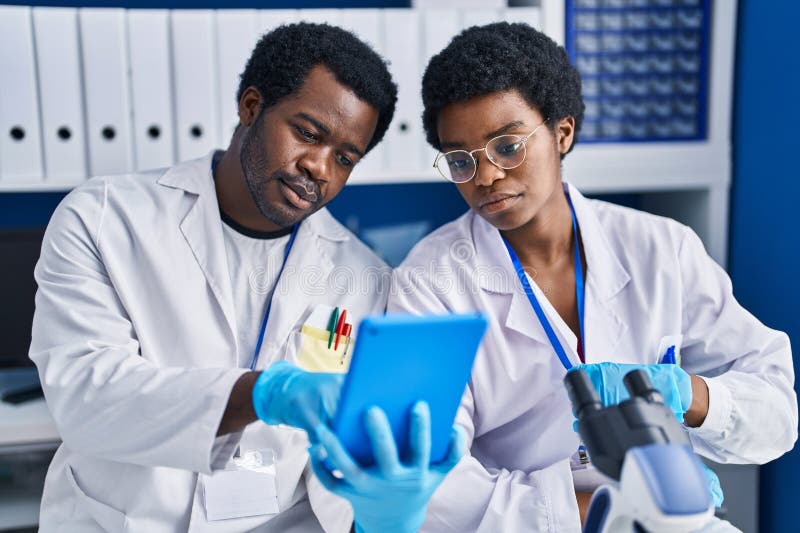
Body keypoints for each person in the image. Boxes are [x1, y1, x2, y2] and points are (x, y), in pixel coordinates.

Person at [30, 23, 460, 533]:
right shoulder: (104, 219)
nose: (319, 168)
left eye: (345, 158)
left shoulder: (364, 277)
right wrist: (261, 395)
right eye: (307, 133)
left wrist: (379, 512)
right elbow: (86, 401)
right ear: (251, 106)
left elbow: (336, 472)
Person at [389, 22, 798, 531]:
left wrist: (687, 394)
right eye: (460, 160)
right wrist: (601, 510)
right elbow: (428, 483)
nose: (487, 176)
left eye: (507, 146)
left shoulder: (662, 248)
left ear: (562, 132)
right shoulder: (429, 284)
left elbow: (777, 414)